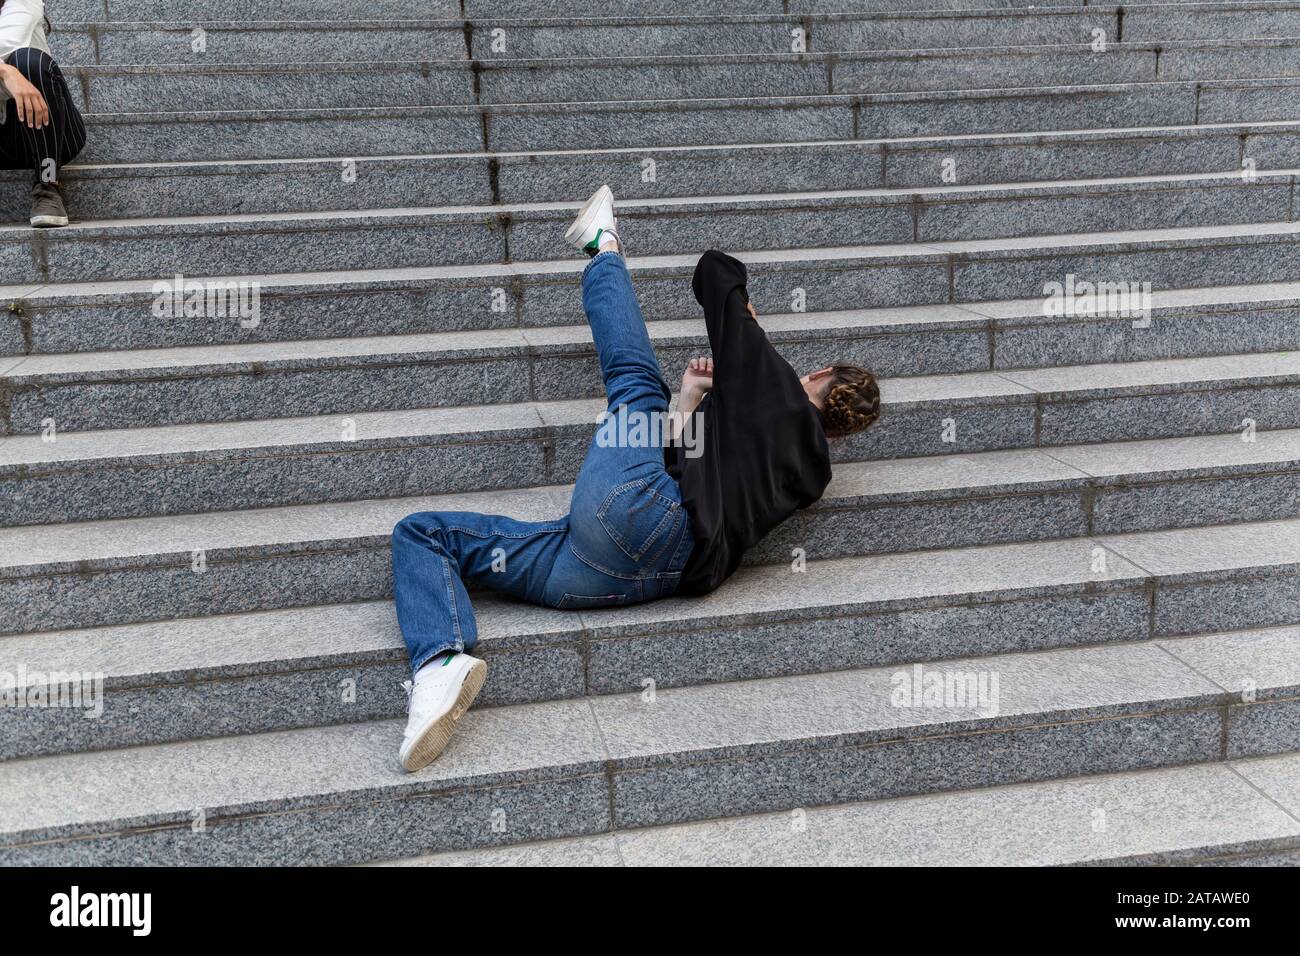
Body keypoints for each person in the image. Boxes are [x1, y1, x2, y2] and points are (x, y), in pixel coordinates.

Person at [391, 185, 882, 771]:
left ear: (820, 373)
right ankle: (437, 674)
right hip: (645, 572)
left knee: (633, 381)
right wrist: (692, 400)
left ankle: (603, 245)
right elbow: (699, 469)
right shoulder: (813, 476)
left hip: (633, 517)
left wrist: (751, 329)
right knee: (429, 535)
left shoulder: (773, 380)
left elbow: (716, 271)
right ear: (840, 435)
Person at [0, 0, 85, 227]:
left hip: (50, 133)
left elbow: (8, 42)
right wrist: (3, 70)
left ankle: (47, 186)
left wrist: (10, 70)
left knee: (28, 61)